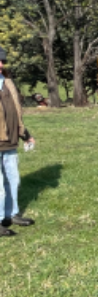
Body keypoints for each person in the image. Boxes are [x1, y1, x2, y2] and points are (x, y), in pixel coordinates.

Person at [0, 46, 35, 236]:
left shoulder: (7, 83)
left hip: (10, 142)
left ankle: (10, 214)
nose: (0, 64)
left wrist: (26, 135)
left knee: (13, 180)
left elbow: (16, 113)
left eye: (2, 61)